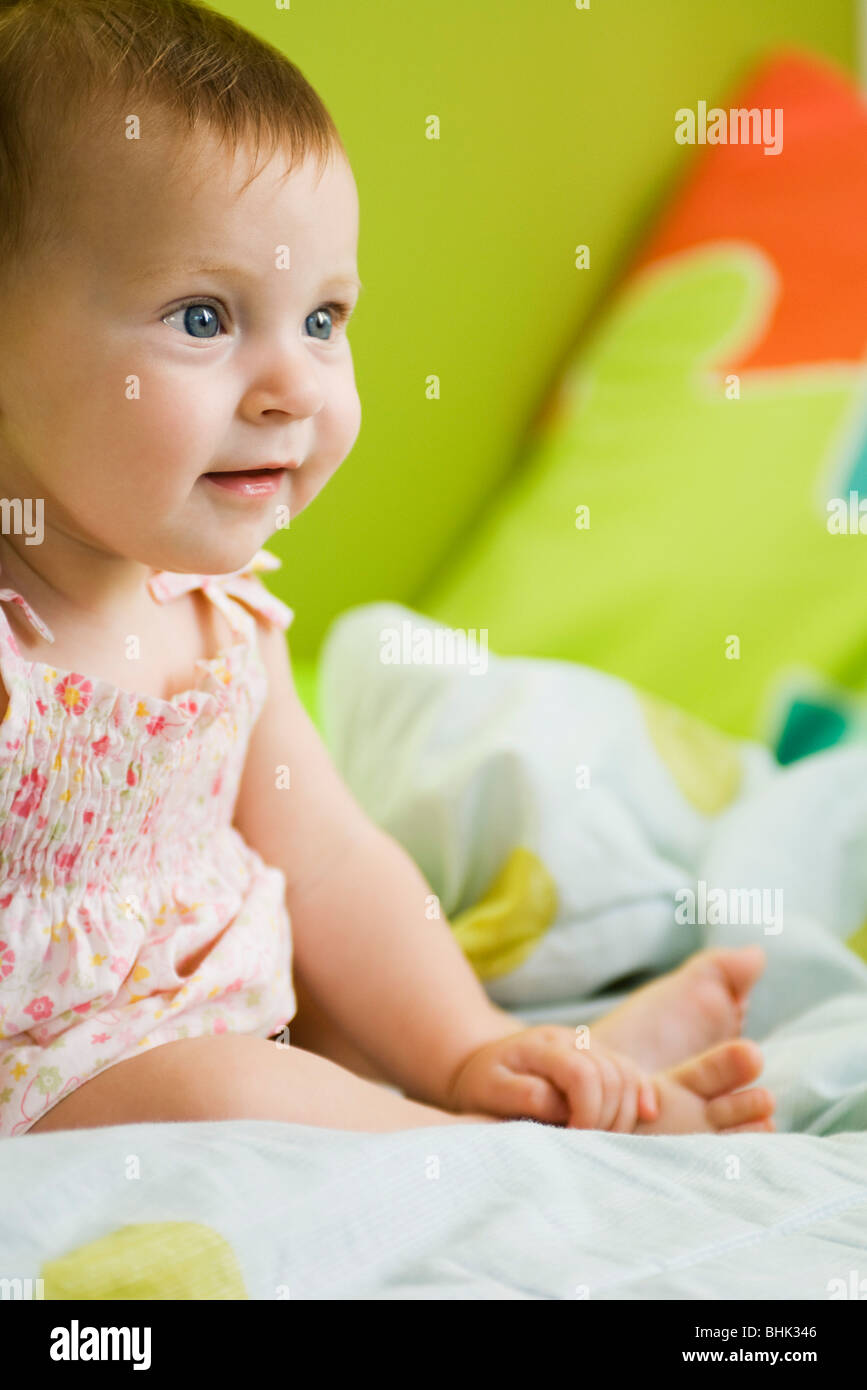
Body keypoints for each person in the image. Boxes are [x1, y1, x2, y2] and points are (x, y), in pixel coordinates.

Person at [0, 0, 775, 1139]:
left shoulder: (225, 620)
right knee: (234, 1090)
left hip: (251, 1017)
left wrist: (466, 1043)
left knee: (345, 1015)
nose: (296, 387)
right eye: (205, 316)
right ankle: (501, 1145)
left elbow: (327, 857)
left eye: (323, 318)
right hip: (61, 1076)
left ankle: (515, 1075)